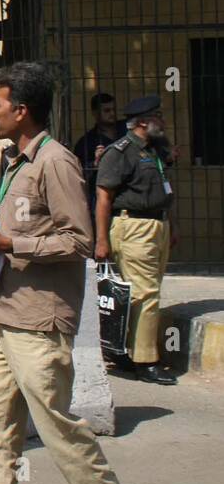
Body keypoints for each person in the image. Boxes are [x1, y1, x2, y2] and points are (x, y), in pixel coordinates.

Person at [0, 63, 139, 484]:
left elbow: (78, 241)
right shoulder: (13, 160)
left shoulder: (56, 161)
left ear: (21, 111)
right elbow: (13, 226)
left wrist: (8, 242)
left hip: (39, 321)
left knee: (59, 429)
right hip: (3, 315)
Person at [94, 96, 177, 385]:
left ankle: (124, 352)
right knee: (146, 293)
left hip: (158, 225)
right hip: (133, 227)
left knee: (147, 291)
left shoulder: (155, 150)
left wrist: (171, 227)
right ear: (142, 122)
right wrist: (101, 240)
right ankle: (146, 361)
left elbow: (164, 192)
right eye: (158, 116)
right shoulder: (121, 152)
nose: (163, 121)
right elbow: (104, 198)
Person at [72, 93, 126, 213]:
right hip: (102, 199)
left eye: (113, 109)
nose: (112, 114)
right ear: (95, 113)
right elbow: (79, 173)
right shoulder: (87, 142)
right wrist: (95, 164)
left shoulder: (125, 130)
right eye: (107, 110)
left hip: (127, 196)